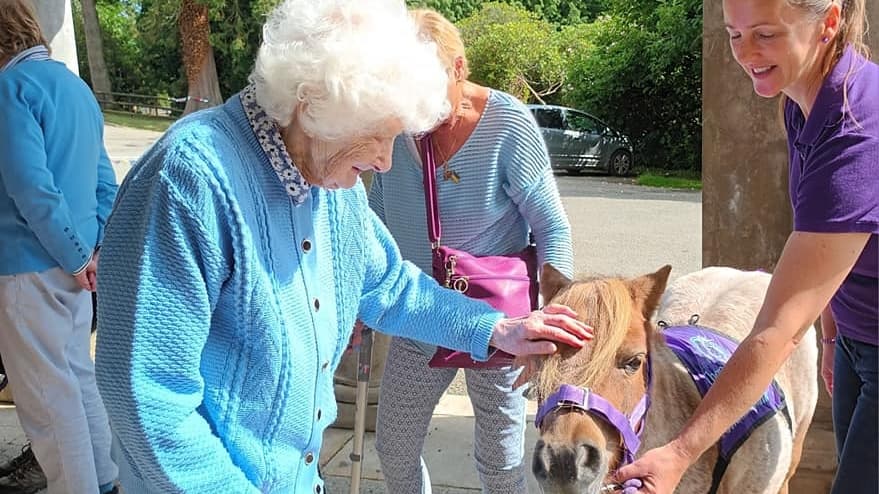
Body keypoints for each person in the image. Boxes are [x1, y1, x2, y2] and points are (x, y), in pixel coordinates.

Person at [93, 1, 592, 493]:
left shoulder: (334, 184)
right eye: (378, 137)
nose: (385, 162)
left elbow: (391, 287)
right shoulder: (189, 178)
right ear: (315, 104)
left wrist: (497, 328)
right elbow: (148, 400)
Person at [617, 0, 877, 492]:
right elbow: (831, 251)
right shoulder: (804, 103)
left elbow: (777, 329)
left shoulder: (855, 133)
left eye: (765, 34)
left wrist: (677, 453)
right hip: (855, 338)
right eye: (735, 35)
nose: (747, 53)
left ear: (827, 21)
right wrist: (831, 336)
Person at [368, 9, 574, 493]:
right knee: (394, 447)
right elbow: (373, 216)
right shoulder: (395, 121)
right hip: (419, 311)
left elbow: (552, 227)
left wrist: (549, 326)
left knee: (500, 460)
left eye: (430, 94)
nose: (420, 113)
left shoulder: (507, 125)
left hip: (500, 321)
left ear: (459, 68)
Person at [0, 0, 120, 493]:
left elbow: (30, 186)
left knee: (47, 401)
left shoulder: (10, 89)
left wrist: (74, 256)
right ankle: (107, 481)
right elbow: (105, 184)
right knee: (75, 381)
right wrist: (90, 255)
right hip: (74, 272)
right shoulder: (76, 88)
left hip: (28, 269)